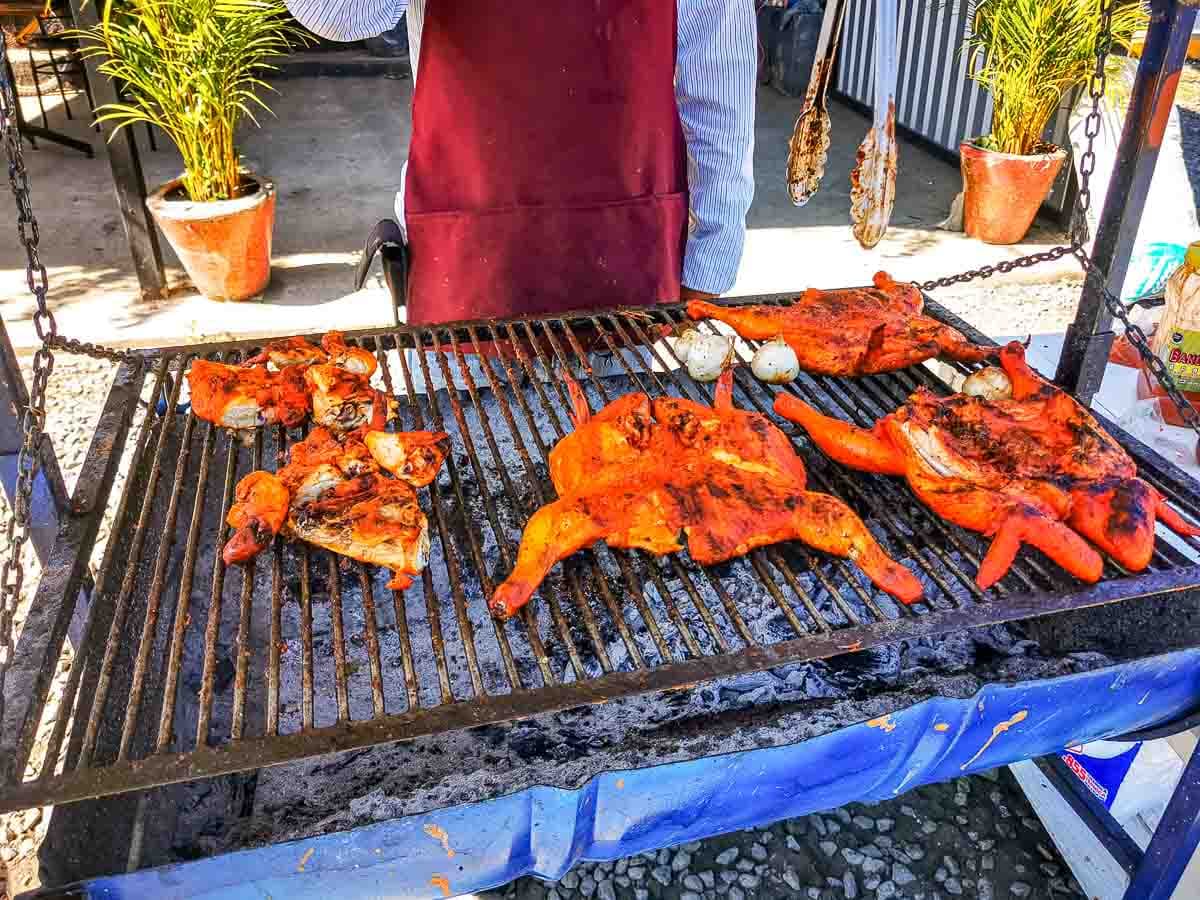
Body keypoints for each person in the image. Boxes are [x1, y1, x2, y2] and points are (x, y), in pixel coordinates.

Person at [288, 0, 756, 325]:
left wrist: (713, 252)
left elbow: (719, 82)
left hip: (628, 251)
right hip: (466, 252)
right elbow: (339, 16)